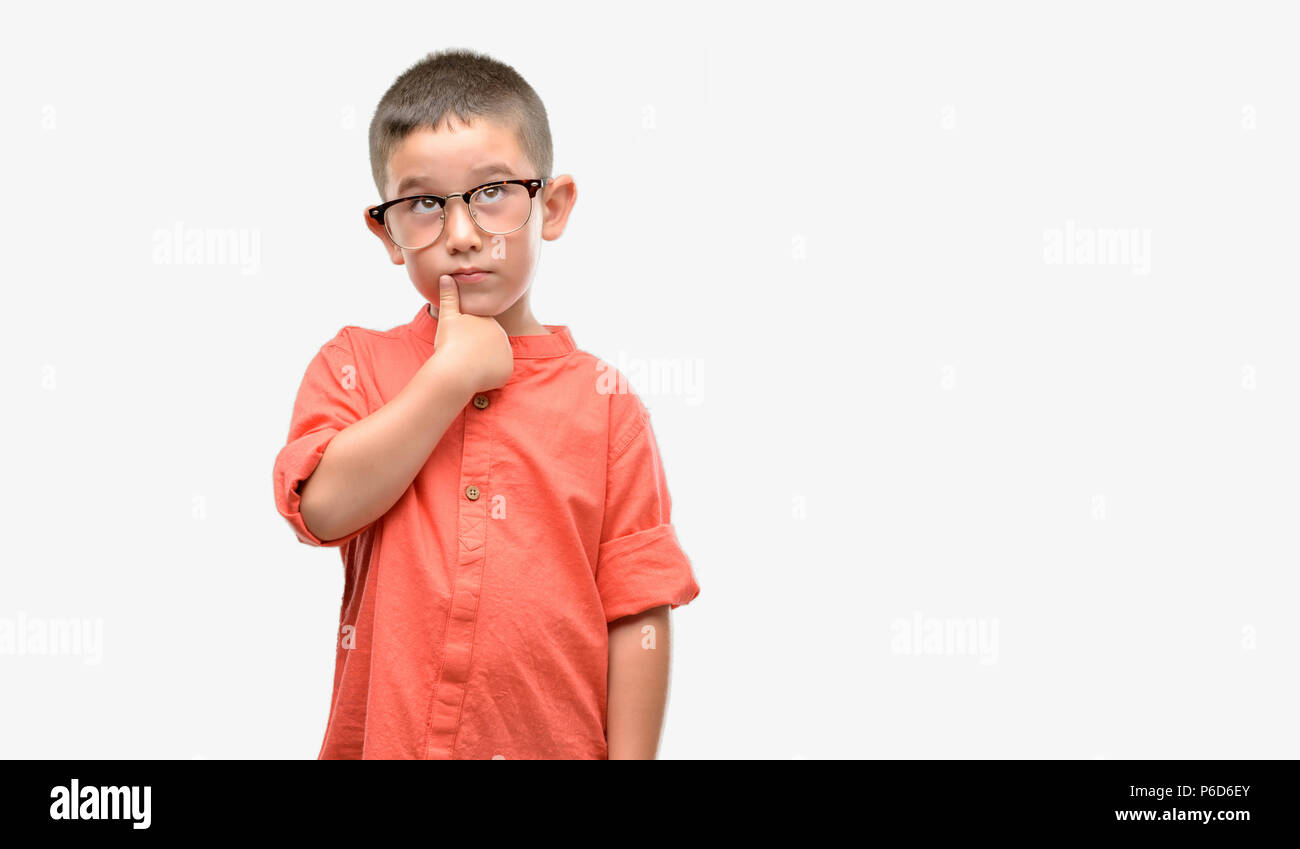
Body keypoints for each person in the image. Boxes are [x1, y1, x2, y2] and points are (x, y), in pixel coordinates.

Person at [271, 48, 700, 759]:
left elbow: (638, 605)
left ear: (551, 207)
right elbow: (322, 510)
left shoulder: (607, 405)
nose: (463, 234)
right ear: (387, 232)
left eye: (493, 191)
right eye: (423, 204)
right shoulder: (354, 366)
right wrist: (447, 379)